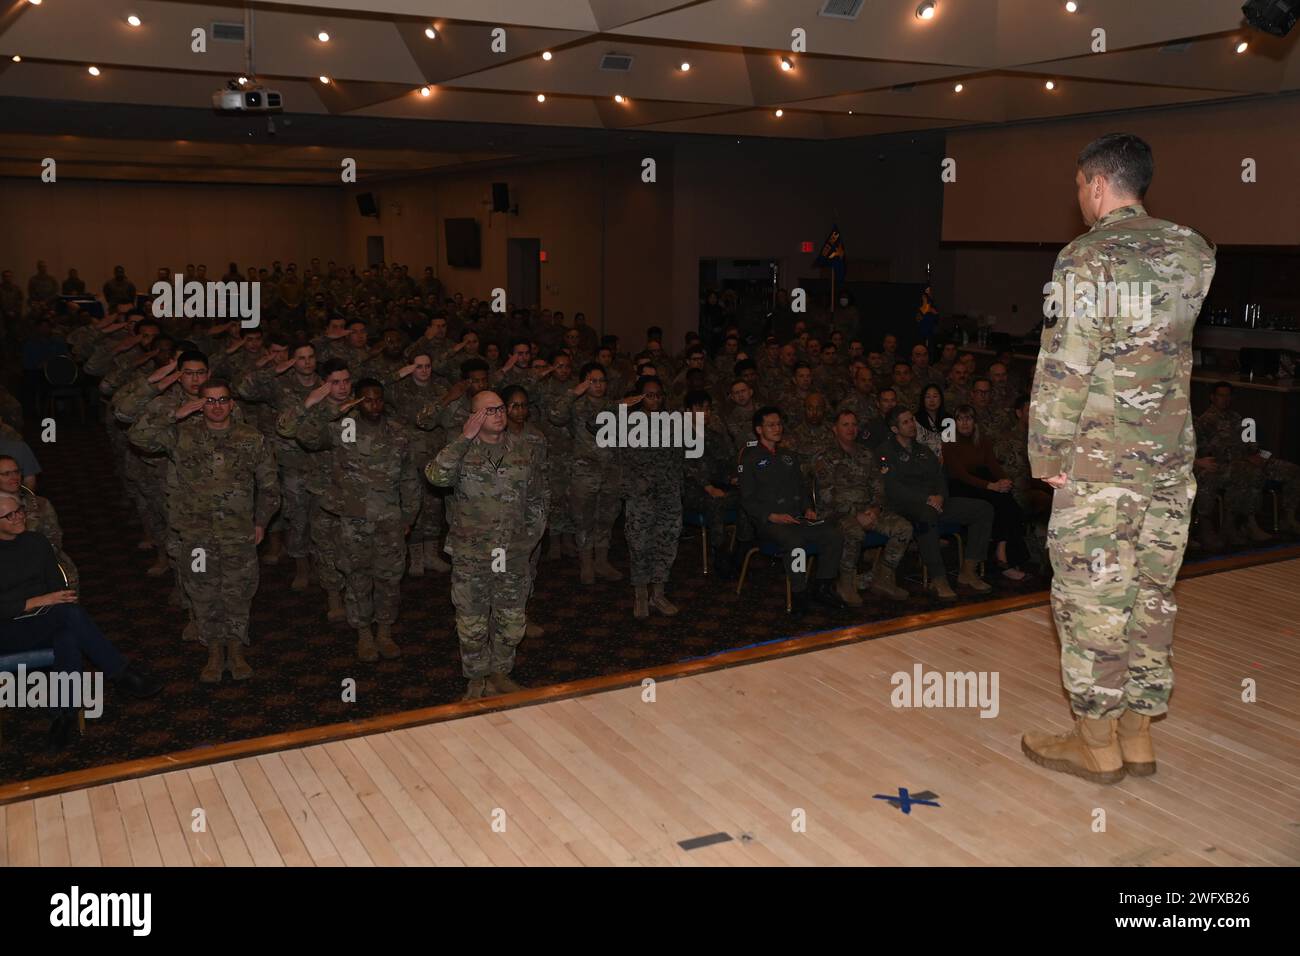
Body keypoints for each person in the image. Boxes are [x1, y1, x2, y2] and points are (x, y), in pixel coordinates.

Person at [1022, 132, 1216, 784]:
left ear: (1098, 184)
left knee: (1093, 598)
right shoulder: (1194, 250)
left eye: (1079, 186)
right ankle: (1139, 737)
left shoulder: (1085, 258)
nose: (1078, 197)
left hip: (1102, 466)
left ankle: (1096, 742)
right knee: (1152, 596)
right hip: (1168, 462)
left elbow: (1066, 364)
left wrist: (1047, 451)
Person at [130, 379, 280, 682]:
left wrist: (261, 522)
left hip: (238, 533)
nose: (217, 406)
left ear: (232, 404)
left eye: (222, 400)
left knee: (238, 593)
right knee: (202, 592)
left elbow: (269, 488)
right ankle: (213, 651)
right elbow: (138, 435)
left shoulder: (250, 438)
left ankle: (236, 650)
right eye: (209, 401)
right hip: (197, 535)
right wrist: (178, 413)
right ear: (200, 404)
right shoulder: (182, 436)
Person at [0, 491, 161, 749]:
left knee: (67, 635)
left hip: (44, 622)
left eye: (19, 510)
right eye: (9, 515)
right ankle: (120, 673)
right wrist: (35, 602)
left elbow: (58, 590)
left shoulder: (36, 542)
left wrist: (47, 602)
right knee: (69, 617)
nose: (19, 517)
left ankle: (63, 716)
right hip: (7, 631)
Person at [282, 378, 419, 661]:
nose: (374, 405)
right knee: (357, 577)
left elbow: (408, 477)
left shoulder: (397, 433)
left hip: (389, 519)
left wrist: (409, 514)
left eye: (378, 399)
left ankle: (384, 631)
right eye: (367, 399)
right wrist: (333, 411)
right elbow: (305, 436)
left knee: (390, 578)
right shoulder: (346, 428)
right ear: (357, 401)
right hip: (354, 520)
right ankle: (364, 634)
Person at [426, 391, 548, 701]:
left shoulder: (524, 451)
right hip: (472, 554)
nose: (498, 414)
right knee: (472, 621)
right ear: (474, 416)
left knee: (511, 621)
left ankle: (500, 673)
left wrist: (529, 540)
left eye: (500, 409)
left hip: (512, 553)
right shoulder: (461, 450)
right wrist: (464, 438)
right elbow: (436, 476)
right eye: (489, 410)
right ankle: (476, 678)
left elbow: (538, 498)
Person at [738, 407, 845, 614]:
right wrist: (772, 516)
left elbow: (801, 487)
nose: (777, 428)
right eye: (771, 425)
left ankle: (823, 587)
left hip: (796, 517)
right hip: (769, 522)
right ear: (759, 430)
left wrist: (808, 508)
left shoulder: (789, 456)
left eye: (779, 424)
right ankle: (799, 593)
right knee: (794, 542)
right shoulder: (750, 459)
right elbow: (747, 500)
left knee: (834, 533)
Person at [880, 407, 993, 601]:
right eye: (905, 422)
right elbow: (892, 488)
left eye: (912, 420)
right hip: (906, 506)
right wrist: (926, 499)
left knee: (983, 509)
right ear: (894, 429)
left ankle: (968, 570)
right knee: (927, 515)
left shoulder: (922, 450)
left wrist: (940, 495)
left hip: (935, 502)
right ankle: (938, 578)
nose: (911, 425)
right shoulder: (885, 452)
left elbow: (940, 476)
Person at [814, 409, 911, 604]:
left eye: (854, 424)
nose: (851, 429)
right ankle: (846, 583)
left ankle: (882, 577)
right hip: (836, 514)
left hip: (868, 510)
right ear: (835, 429)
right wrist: (856, 515)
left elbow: (878, 487)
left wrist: (875, 509)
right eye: (845, 424)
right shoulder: (824, 456)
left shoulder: (866, 453)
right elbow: (826, 496)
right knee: (855, 532)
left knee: (904, 528)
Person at [943, 405, 1029, 580]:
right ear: (955, 422)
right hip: (961, 485)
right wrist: (991, 486)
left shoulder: (981, 439)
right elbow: (961, 474)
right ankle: (1004, 559)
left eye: (969, 419)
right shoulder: (949, 441)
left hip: (982, 480)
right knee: (1000, 503)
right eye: (960, 419)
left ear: (974, 422)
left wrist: (1004, 480)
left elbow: (993, 465)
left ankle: (1002, 550)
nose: (965, 423)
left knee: (1011, 504)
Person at [623, 377, 683, 618]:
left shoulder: (672, 422)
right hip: (640, 494)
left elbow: (680, 457)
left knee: (666, 543)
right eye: (649, 394)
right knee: (639, 544)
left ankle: (658, 593)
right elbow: (592, 424)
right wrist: (620, 405)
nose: (654, 399)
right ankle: (640, 594)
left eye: (658, 394)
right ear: (639, 397)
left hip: (668, 493)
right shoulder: (626, 422)